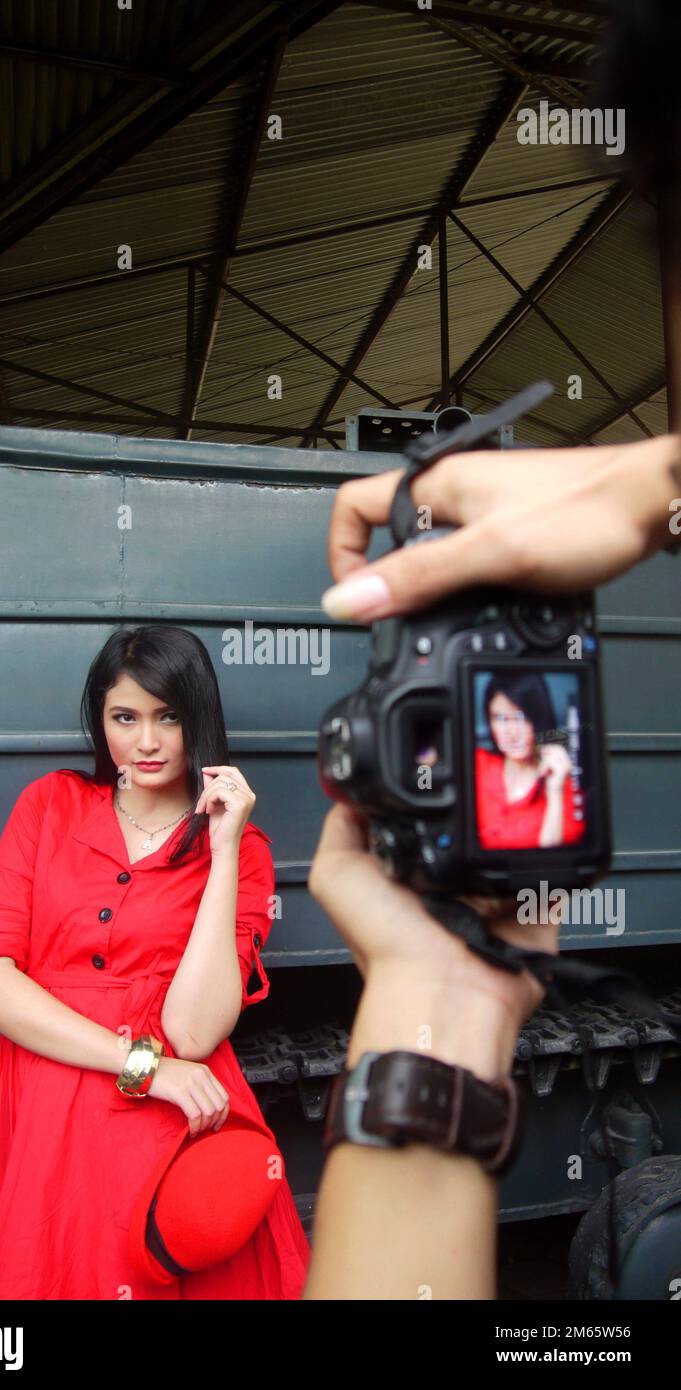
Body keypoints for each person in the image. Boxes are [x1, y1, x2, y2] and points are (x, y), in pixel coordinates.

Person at [302, 430, 681, 1299]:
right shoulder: (508, 768)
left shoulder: (544, 768)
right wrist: (656, 483)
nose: (510, 731)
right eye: (498, 722)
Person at [0, 624, 310, 1300]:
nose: (146, 742)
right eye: (125, 717)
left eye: (168, 717)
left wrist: (224, 849)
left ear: (198, 718)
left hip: (178, 1120)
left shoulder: (243, 850)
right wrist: (144, 1066)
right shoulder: (49, 806)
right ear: (101, 722)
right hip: (56, 1100)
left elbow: (197, 1031)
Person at [475, 673, 585, 851]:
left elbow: (550, 866)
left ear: (538, 718)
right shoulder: (477, 764)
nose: (511, 732)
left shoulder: (565, 789)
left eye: (522, 717)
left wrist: (555, 792)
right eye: (500, 718)